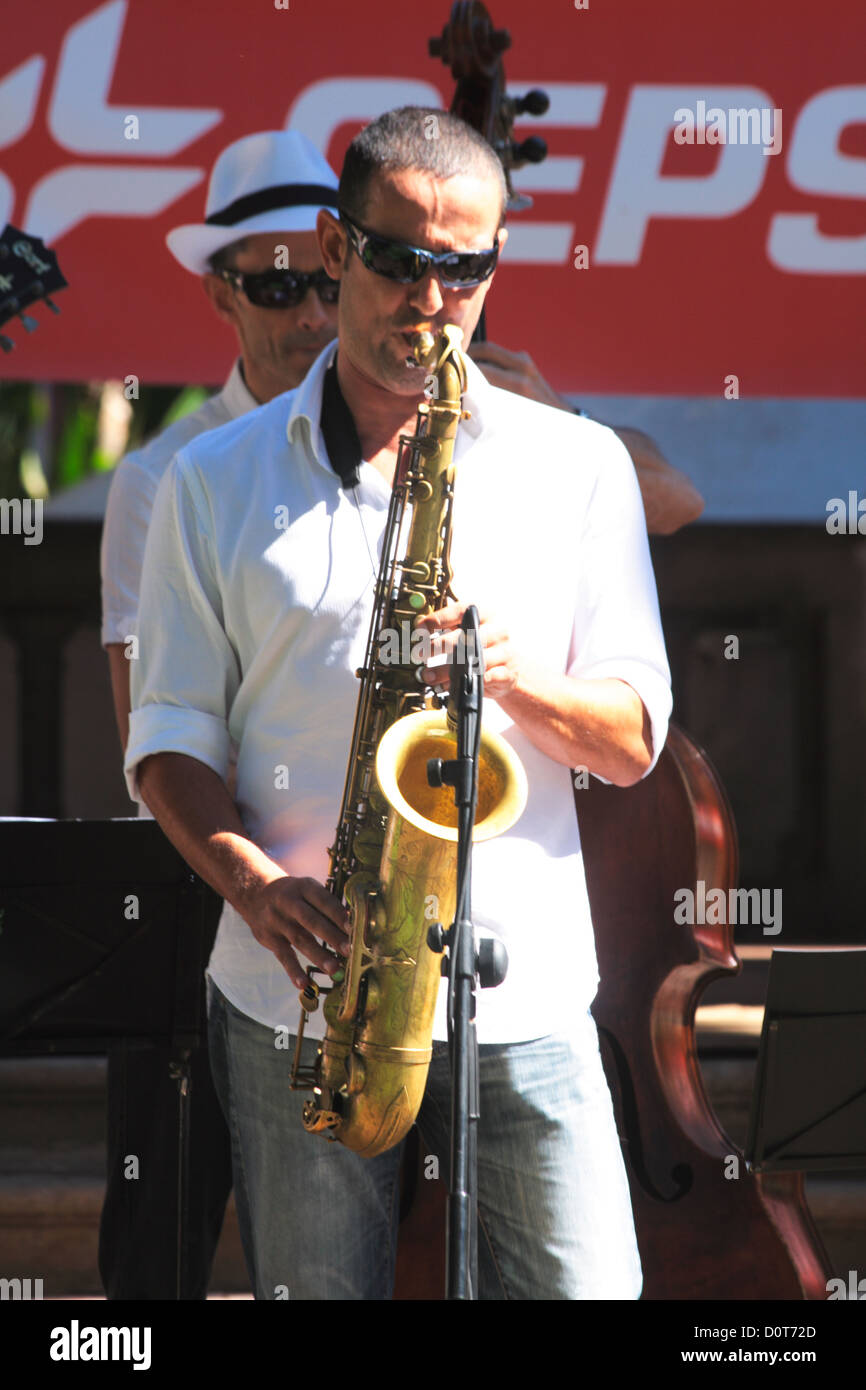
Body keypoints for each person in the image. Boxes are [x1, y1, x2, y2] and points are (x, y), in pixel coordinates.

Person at [124, 106, 673, 1301]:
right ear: (334, 249)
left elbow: (633, 740)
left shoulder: (575, 466)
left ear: (495, 266)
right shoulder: (206, 480)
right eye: (397, 260)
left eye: (462, 267)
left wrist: (510, 676)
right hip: (296, 997)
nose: (429, 298)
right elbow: (166, 738)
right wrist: (253, 885)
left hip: (519, 995)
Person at [98, 129, 340, 1299]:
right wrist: (260, 877)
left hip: (360, 916)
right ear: (219, 292)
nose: (306, 312)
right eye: (272, 283)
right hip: (202, 899)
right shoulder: (164, 474)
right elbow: (153, 727)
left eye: (325, 279)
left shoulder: (425, 430)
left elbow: (665, 494)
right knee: (161, 1248)